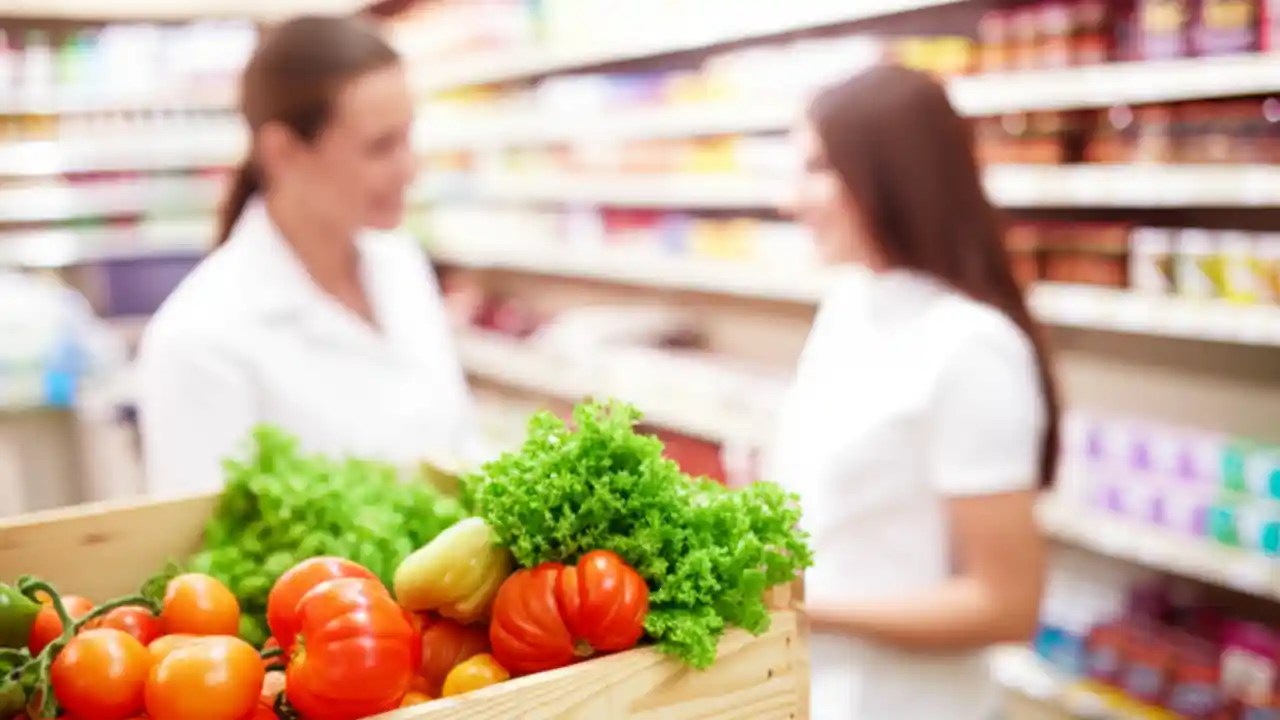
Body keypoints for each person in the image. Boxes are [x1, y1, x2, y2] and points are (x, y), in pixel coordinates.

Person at [769, 65, 1059, 720]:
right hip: (817, 693)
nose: (790, 201)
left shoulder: (971, 347)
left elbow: (1007, 603)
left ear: (892, 173)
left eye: (818, 168)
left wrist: (798, 605)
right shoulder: (849, 302)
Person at [137, 16, 478, 497]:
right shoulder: (198, 340)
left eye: (408, 136)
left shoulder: (399, 263)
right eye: (381, 146)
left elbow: (458, 442)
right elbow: (202, 553)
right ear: (282, 152)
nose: (410, 169)